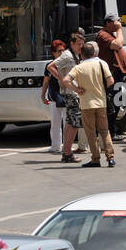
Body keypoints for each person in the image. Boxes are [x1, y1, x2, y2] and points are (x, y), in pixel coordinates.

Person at [64, 40, 116, 168]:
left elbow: (66, 80)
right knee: (104, 131)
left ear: (81, 54)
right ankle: (110, 158)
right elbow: (110, 81)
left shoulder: (79, 67)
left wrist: (77, 90)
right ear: (93, 53)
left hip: (86, 104)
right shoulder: (101, 63)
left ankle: (95, 159)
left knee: (91, 133)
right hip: (101, 102)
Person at [49, 32, 86, 163]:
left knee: (71, 123)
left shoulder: (75, 55)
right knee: (75, 123)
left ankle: (66, 152)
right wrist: (61, 79)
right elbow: (51, 66)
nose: (81, 46)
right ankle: (68, 153)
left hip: (73, 93)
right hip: (71, 94)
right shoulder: (67, 55)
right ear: (72, 44)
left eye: (82, 44)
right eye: (78, 44)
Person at [96, 15, 126, 138]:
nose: (119, 23)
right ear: (108, 23)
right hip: (111, 74)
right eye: (117, 21)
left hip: (117, 73)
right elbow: (118, 45)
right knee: (113, 103)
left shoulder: (111, 34)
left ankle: (112, 130)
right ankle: (110, 132)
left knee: (117, 102)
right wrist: (120, 30)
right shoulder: (103, 35)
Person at [41, 39, 67, 153]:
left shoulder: (68, 64)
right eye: (58, 51)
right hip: (53, 96)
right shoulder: (49, 66)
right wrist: (43, 95)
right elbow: (46, 81)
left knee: (68, 123)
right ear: (53, 52)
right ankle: (55, 145)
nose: (61, 53)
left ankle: (67, 145)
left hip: (67, 96)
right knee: (55, 123)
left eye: (63, 50)